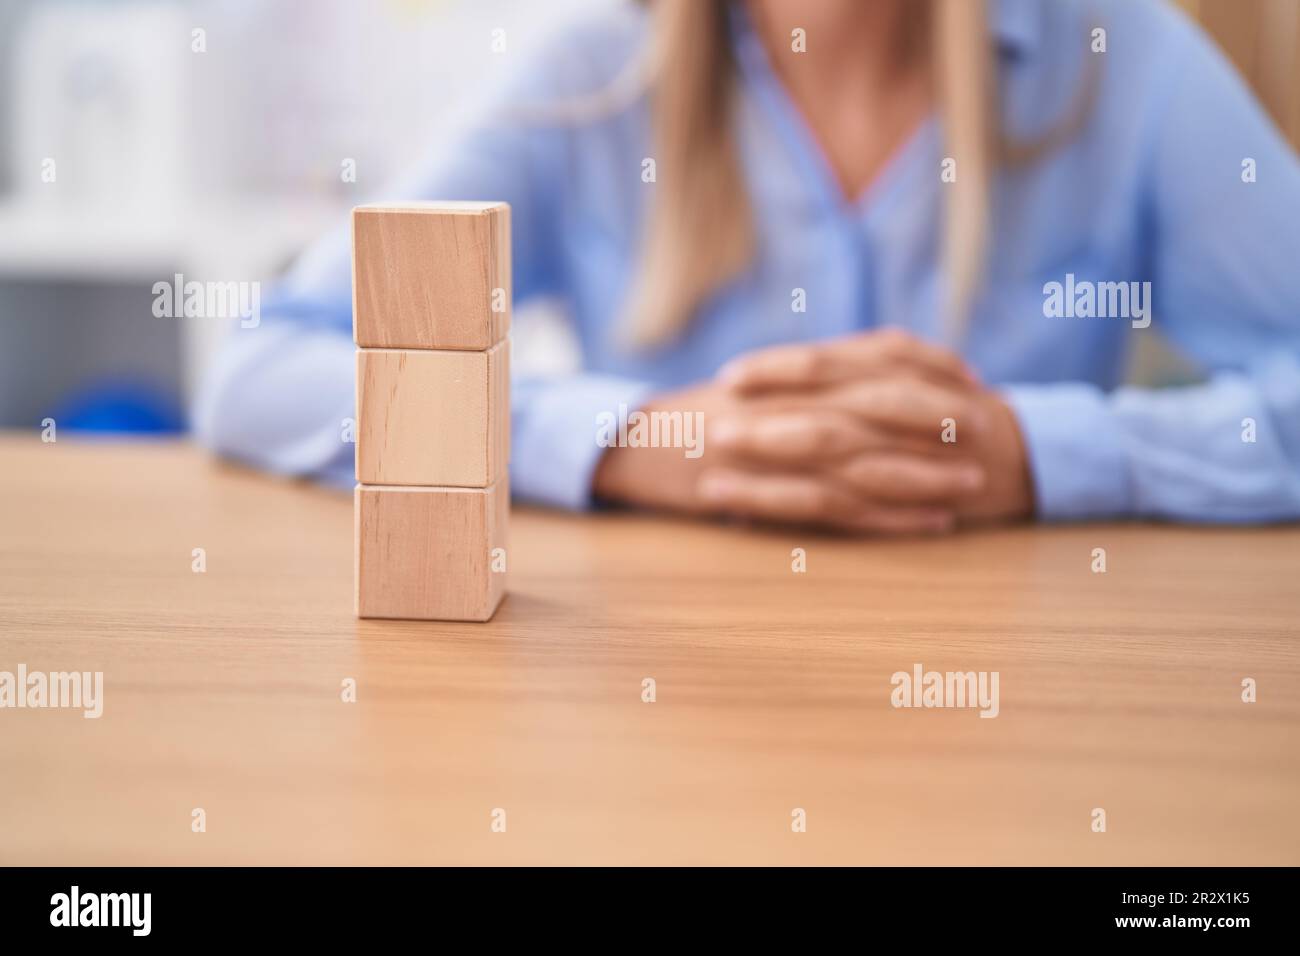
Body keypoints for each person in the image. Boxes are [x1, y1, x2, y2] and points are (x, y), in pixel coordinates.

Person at [196, 0, 1300, 534]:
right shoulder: (592, 75)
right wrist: (628, 439)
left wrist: (1041, 449)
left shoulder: (1120, 55)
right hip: (670, 718)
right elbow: (262, 370)